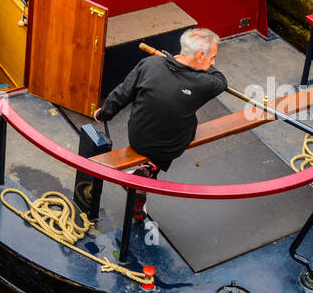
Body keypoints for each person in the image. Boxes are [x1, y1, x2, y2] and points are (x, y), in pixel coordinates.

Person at [93, 27, 227, 179]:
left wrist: (104, 113)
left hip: (138, 139)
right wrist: (204, 67)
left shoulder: (150, 64)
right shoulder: (207, 83)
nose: (213, 63)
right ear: (200, 55)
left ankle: (147, 169)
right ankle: (150, 168)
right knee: (187, 121)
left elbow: (122, 94)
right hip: (171, 148)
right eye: (212, 58)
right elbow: (222, 80)